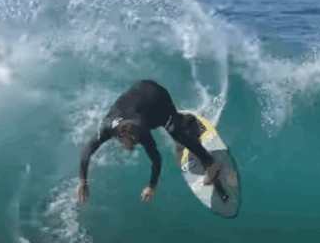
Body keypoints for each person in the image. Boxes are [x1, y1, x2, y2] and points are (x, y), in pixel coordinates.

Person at [76, 80, 222, 205]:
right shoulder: (107, 128)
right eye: (129, 142)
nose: (130, 146)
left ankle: (210, 163)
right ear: (119, 135)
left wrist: (152, 186)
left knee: (176, 132)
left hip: (157, 97)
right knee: (174, 130)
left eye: (133, 142)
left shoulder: (143, 131)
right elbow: (87, 151)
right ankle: (184, 122)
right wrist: (82, 181)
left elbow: (156, 159)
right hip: (138, 93)